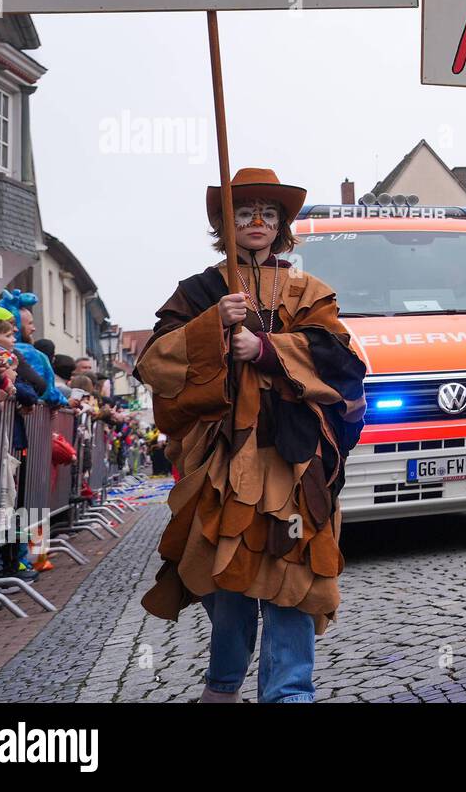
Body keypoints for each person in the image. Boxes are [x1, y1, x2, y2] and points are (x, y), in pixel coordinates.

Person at [134, 167, 366, 702]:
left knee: (293, 567)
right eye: (244, 213)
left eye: (267, 214)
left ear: (282, 224)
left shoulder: (310, 289)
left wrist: (265, 349)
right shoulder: (198, 291)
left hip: (293, 460)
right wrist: (211, 325)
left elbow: (344, 365)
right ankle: (223, 684)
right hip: (222, 458)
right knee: (229, 571)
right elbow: (156, 365)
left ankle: (289, 692)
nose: (256, 222)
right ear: (226, 223)